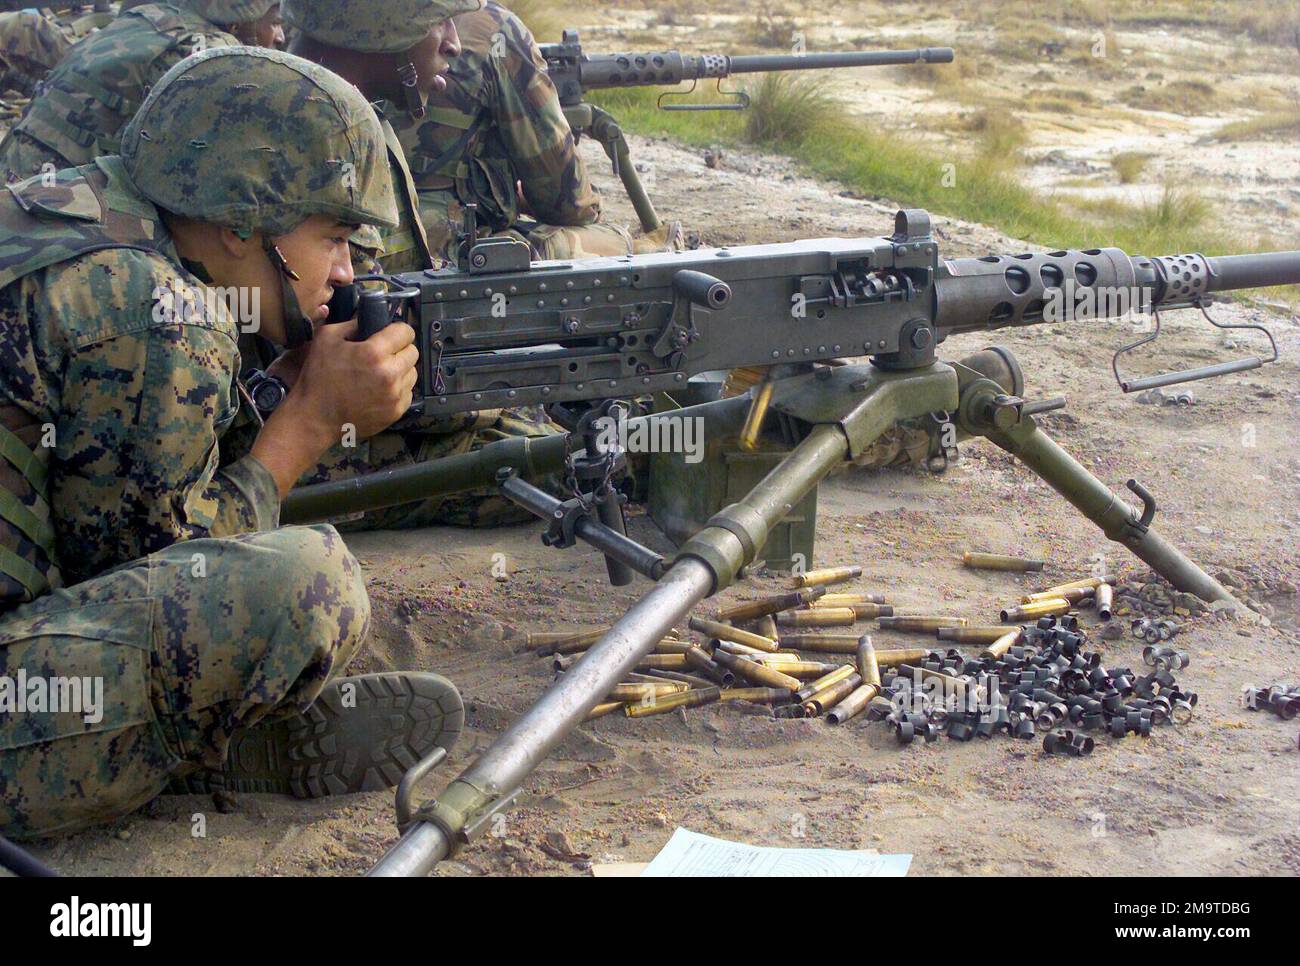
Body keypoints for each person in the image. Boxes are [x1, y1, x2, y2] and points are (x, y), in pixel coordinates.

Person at [0, 46, 460, 840]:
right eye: (335, 239)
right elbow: (151, 582)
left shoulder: (70, 214)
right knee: (306, 587)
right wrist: (306, 425)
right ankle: (196, 753)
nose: (347, 273)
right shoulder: (153, 310)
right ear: (243, 223)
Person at [269, 0, 562, 531]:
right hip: (285, 430)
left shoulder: (346, 116)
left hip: (327, 402)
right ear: (381, 25)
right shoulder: (322, 137)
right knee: (561, 462)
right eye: (436, 22)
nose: (452, 41)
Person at [0, 0, 285, 183]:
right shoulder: (213, 55)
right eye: (274, 23)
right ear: (239, 23)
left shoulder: (149, 17)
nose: (281, 37)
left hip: (15, 178)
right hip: (50, 207)